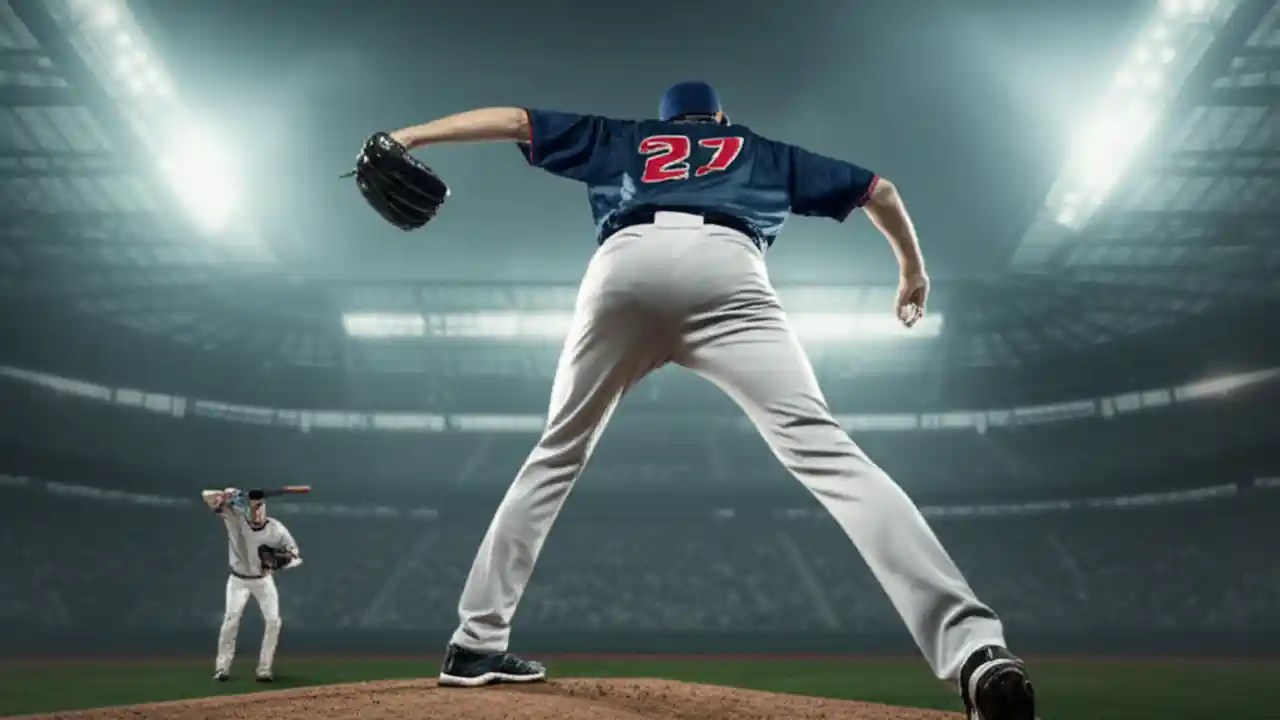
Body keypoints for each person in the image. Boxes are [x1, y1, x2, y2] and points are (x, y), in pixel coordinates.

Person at [387, 81, 1035, 719]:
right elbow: (881, 192)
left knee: (556, 453)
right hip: (729, 271)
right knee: (831, 457)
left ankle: (475, 643)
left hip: (625, 265)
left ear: (665, 120)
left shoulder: (625, 138)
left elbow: (515, 120)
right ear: (720, 117)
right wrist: (913, 273)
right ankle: (977, 654)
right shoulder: (757, 150)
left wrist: (409, 136)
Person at [201, 487, 302, 683]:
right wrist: (224, 494)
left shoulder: (276, 528)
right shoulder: (234, 517)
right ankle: (222, 668)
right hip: (238, 580)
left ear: (265, 508)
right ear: (247, 508)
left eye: (260, 506)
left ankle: (264, 669)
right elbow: (205, 495)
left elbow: (295, 553)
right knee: (230, 620)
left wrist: (280, 560)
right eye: (253, 507)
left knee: (274, 622)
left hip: (263, 580)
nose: (257, 511)